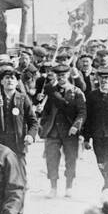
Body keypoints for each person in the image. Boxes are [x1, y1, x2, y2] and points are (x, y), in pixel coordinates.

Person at [36, 60, 86, 199]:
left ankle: (69, 186)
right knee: (51, 159)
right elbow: (46, 111)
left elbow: (82, 112)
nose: (61, 78)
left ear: (68, 75)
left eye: (63, 75)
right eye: (58, 76)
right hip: (53, 131)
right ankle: (53, 187)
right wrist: (41, 115)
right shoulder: (50, 91)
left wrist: (76, 126)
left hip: (70, 131)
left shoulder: (76, 92)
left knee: (71, 159)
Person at [0, 66, 37, 179]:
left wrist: (30, 135)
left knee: (19, 173)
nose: (9, 80)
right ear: (1, 81)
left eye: (12, 78)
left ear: (17, 82)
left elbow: (33, 121)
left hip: (17, 141)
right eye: (6, 78)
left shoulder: (23, 98)